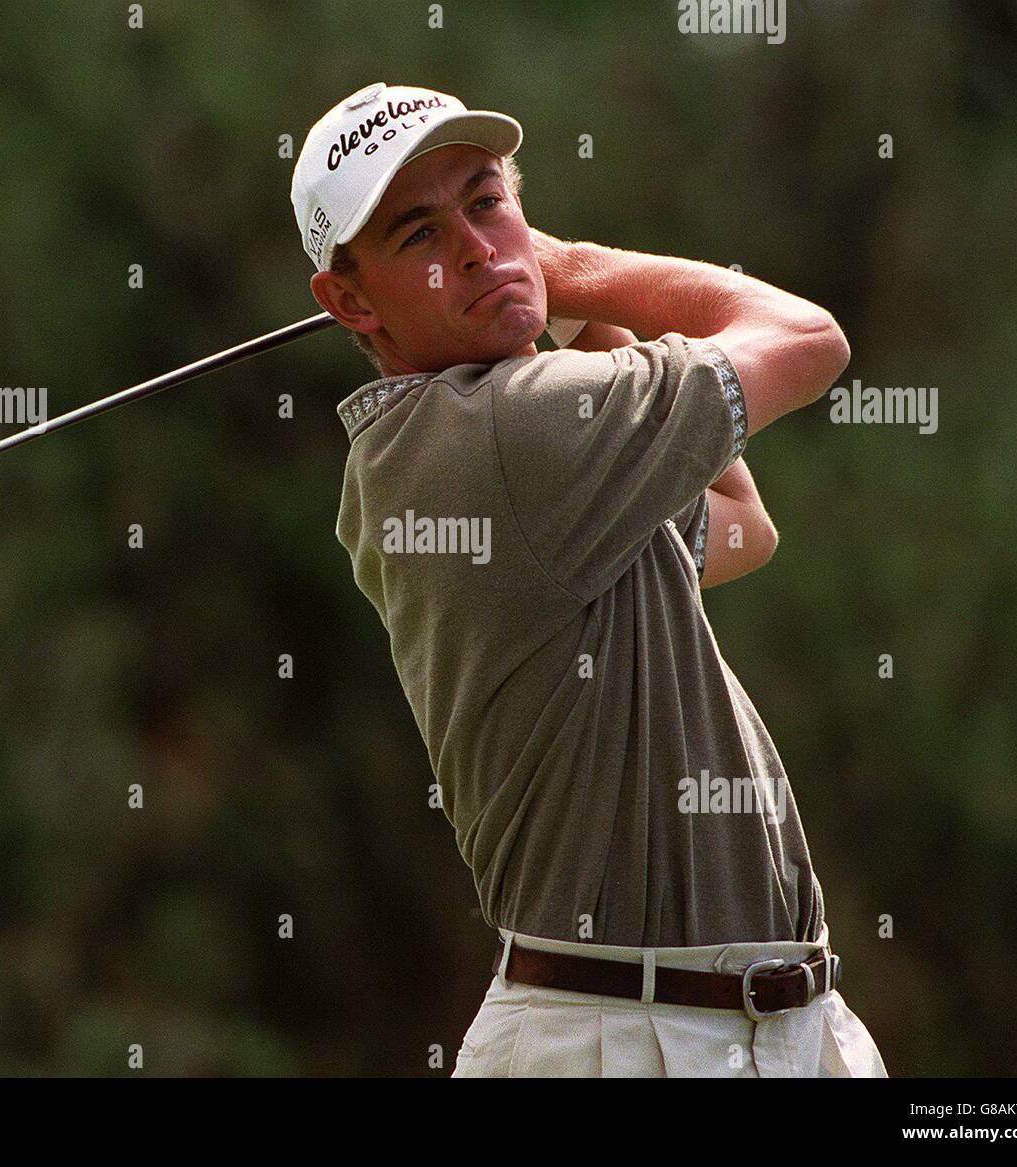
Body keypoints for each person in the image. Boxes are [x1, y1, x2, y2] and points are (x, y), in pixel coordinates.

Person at [291, 82, 887, 1078]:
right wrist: (572, 271)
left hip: (742, 1026)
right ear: (350, 301)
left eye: (486, 202)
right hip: (631, 1033)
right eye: (418, 234)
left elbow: (741, 527)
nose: (476, 247)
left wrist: (553, 309)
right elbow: (804, 340)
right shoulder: (502, 434)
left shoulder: (504, 453)